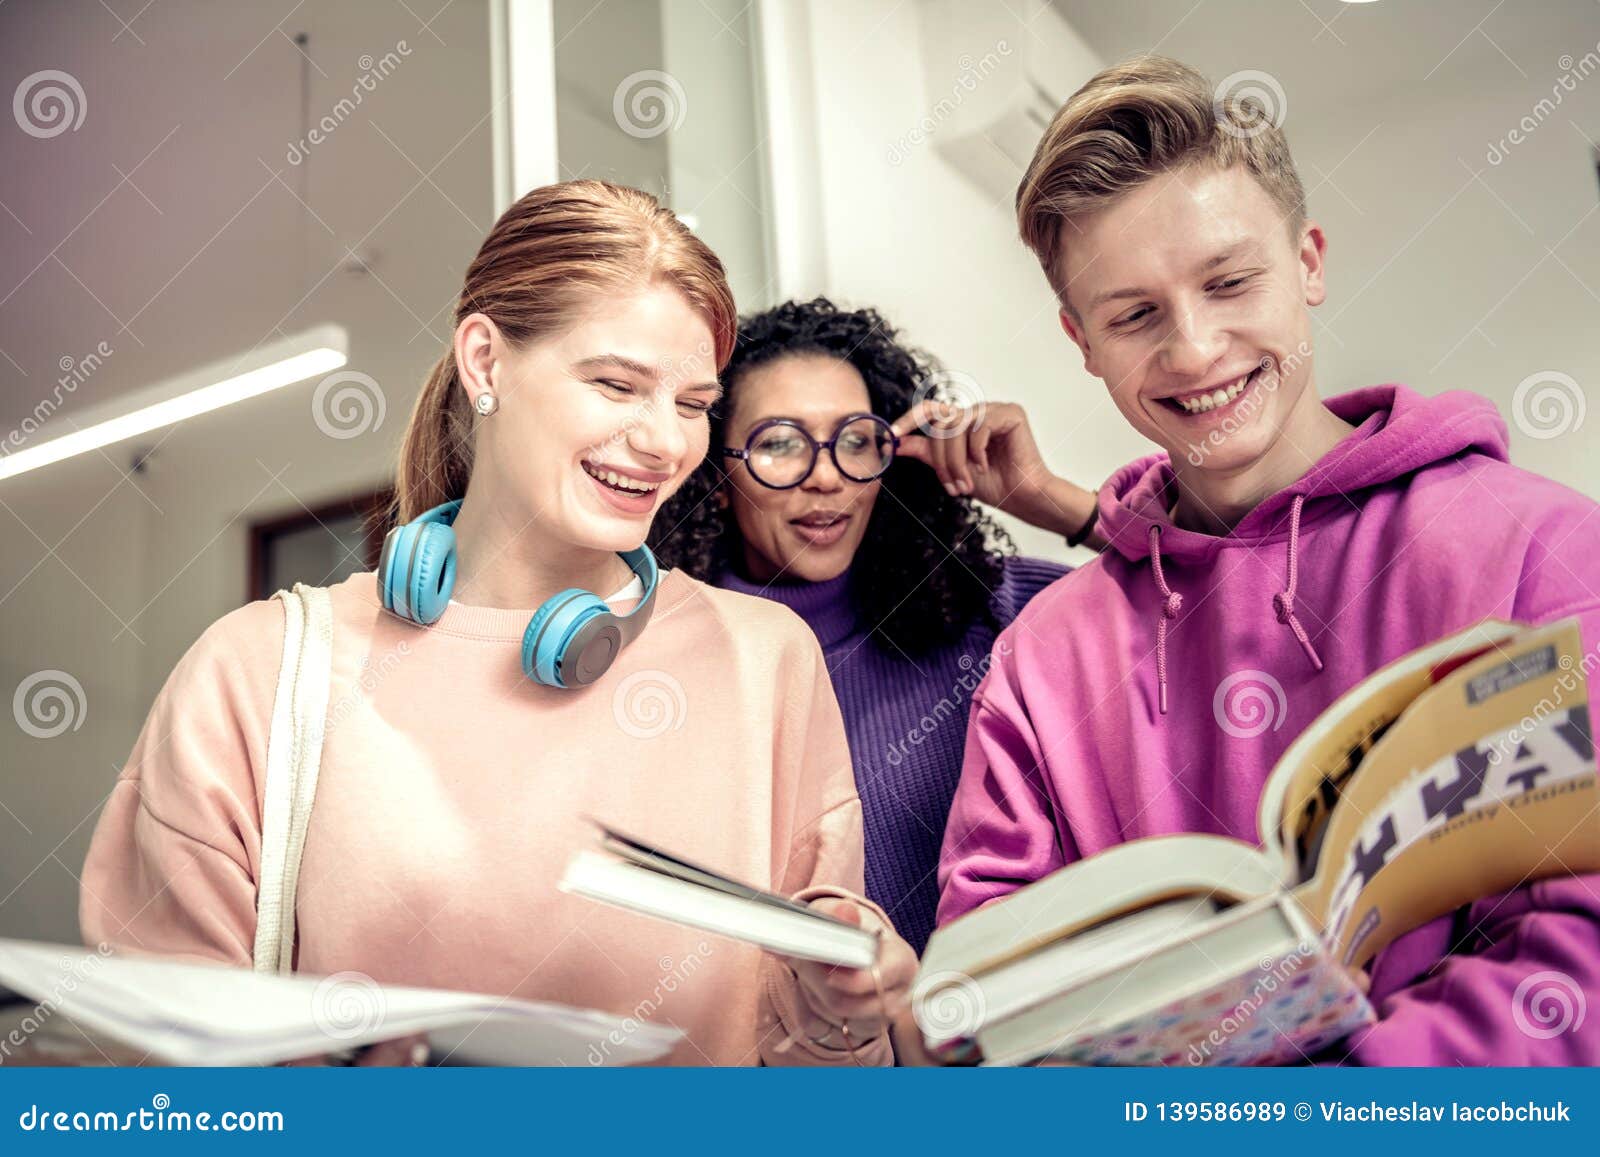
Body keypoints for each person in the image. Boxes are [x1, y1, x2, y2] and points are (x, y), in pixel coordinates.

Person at [79, 180, 915, 1067]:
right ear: (485, 362)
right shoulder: (255, 672)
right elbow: (156, 1078)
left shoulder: (767, 661)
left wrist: (838, 1008)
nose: (665, 442)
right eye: (616, 383)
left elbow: (812, 1081)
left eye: (692, 403)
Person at [937, 56, 1600, 1063]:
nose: (1196, 350)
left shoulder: (1545, 553)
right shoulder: (1040, 661)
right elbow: (986, 999)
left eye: (1228, 281)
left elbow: (1578, 955)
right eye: (1133, 314)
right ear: (1081, 341)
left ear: (1310, 262)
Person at [652, 297, 1100, 954]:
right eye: (780, 443)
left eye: (856, 440)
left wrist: (1052, 500)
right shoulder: (665, 658)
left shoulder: (986, 608)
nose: (828, 477)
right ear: (718, 474)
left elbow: (1206, 596)